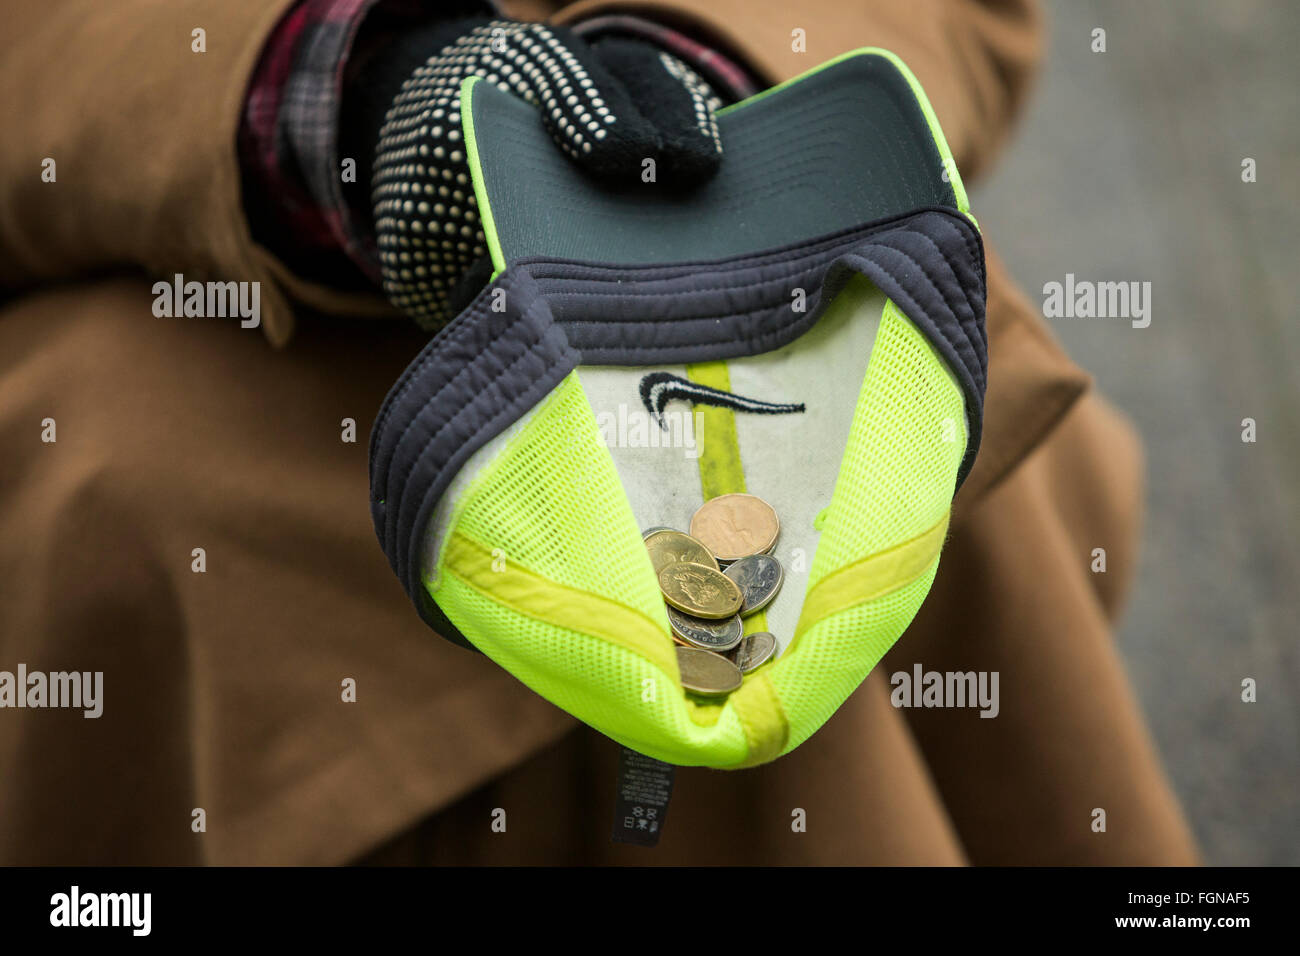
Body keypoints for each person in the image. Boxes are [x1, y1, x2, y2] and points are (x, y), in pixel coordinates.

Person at [0, 0, 1198, 864]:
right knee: (126, 473)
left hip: (724, 200)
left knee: (839, 425)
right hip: (171, 269)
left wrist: (701, 56)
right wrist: (339, 91)